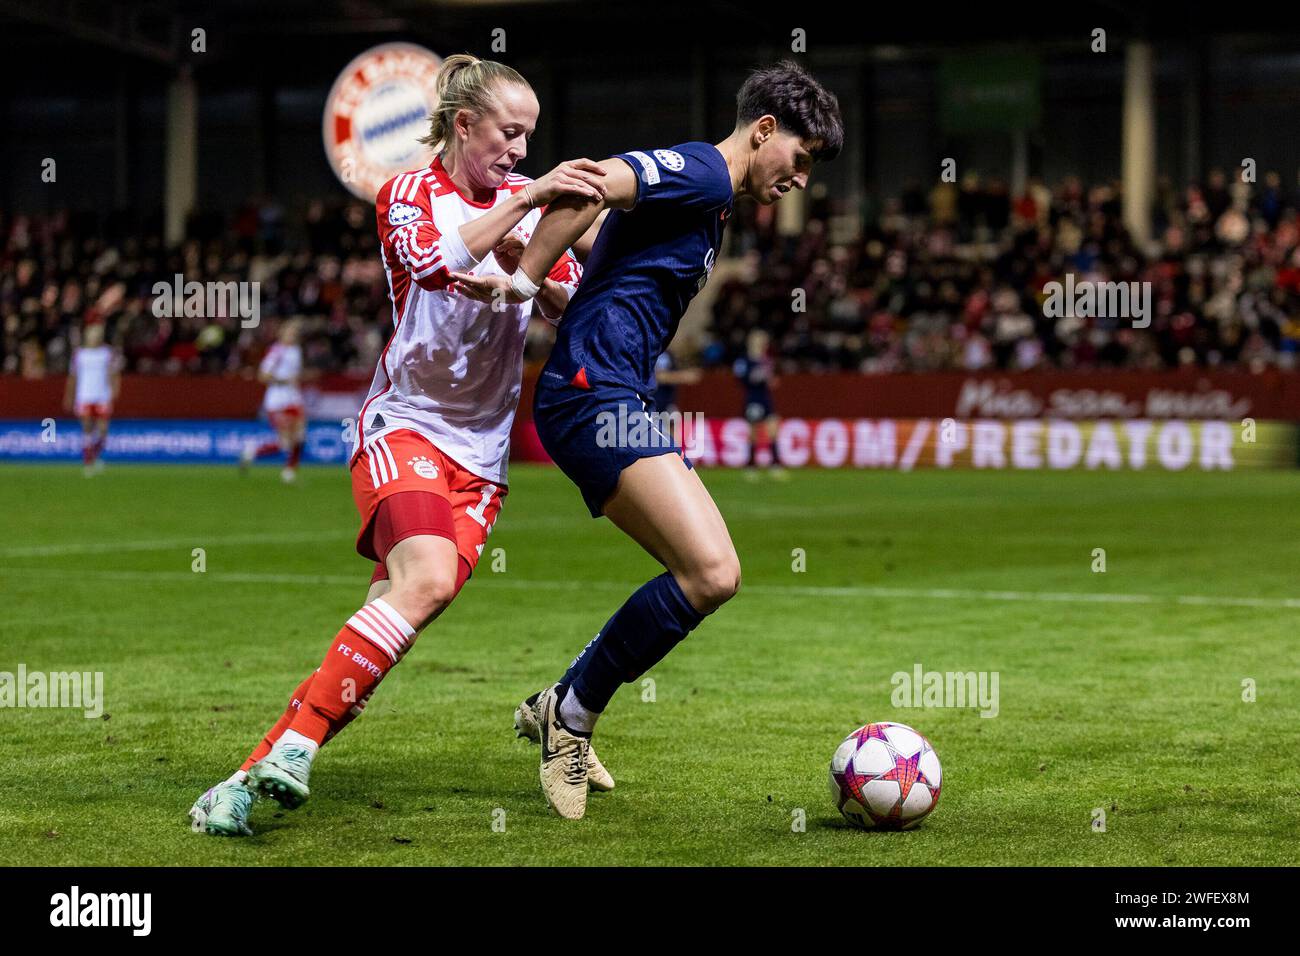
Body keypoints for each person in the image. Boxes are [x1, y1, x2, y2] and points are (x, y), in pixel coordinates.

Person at [189, 53, 609, 836]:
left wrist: (537, 274)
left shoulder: (523, 205)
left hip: (482, 457)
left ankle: (252, 774)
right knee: (427, 582)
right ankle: (294, 755)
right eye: (511, 134)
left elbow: (574, 303)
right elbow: (432, 263)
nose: (521, 151)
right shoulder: (409, 193)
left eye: (530, 140)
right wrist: (536, 200)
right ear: (464, 125)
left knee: (399, 608)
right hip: (406, 425)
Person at [453, 60, 842, 819]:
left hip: (610, 394)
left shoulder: (709, 204)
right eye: (799, 158)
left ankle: (563, 700)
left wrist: (562, 290)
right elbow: (589, 183)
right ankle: (571, 714)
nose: (801, 179)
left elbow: (605, 240)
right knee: (712, 572)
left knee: (704, 573)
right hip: (591, 397)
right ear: (764, 131)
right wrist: (525, 281)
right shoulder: (700, 172)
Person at [240, 318, 307, 483]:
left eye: (294, 332)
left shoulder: (296, 350)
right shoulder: (277, 351)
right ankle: (253, 452)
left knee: (300, 437)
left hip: (294, 398)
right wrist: (284, 381)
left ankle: (289, 472)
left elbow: (296, 374)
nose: (293, 335)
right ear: (282, 334)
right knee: (285, 443)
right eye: (290, 332)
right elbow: (263, 376)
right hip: (277, 400)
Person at [63, 321, 120, 477]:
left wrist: (114, 389)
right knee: (87, 428)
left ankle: (93, 456)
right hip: (85, 395)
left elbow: (113, 372)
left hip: (102, 395)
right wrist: (69, 396)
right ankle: (88, 461)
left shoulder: (106, 353)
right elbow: (73, 377)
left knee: (102, 430)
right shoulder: (79, 354)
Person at [732, 328, 784, 477]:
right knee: (753, 432)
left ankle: (775, 464)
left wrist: (770, 380)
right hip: (753, 398)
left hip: (765, 398)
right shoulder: (744, 360)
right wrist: (755, 377)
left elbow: (772, 380)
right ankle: (751, 465)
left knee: (773, 429)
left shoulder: (766, 360)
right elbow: (741, 379)